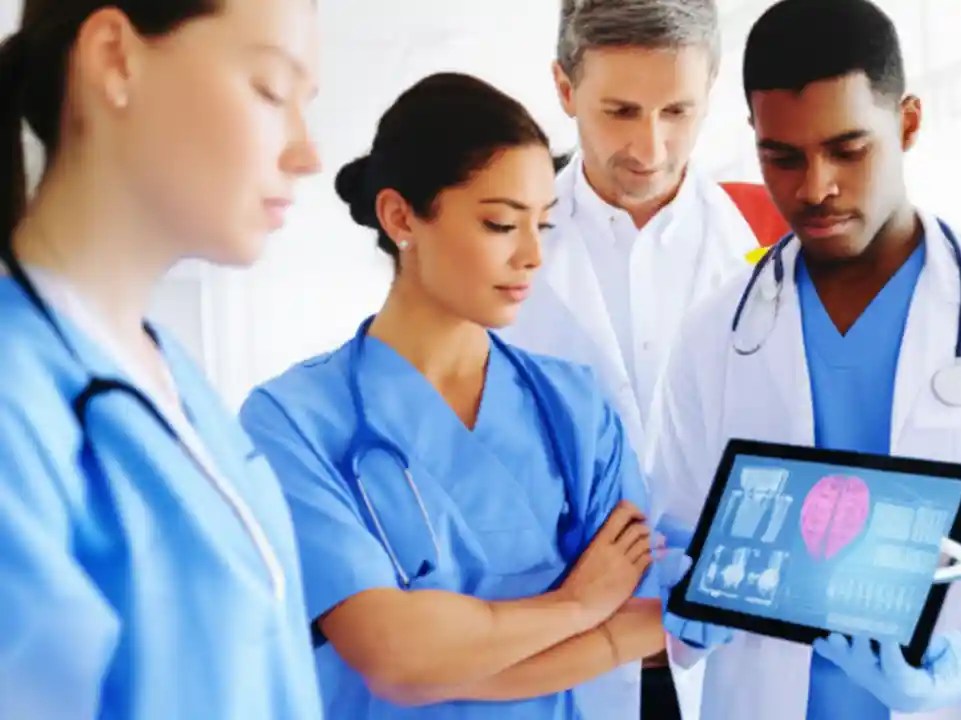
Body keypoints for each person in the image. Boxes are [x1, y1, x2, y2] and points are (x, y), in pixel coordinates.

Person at [650, 1, 961, 718]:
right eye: (781, 157)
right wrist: (678, 585)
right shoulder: (712, 335)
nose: (814, 186)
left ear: (909, 122)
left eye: (849, 150)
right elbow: (677, 529)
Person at [239, 72, 674, 720]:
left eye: (544, 226)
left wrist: (450, 654)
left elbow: (647, 624)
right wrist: (576, 608)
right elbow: (394, 656)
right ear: (400, 216)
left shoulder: (575, 407)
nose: (532, 256)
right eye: (501, 224)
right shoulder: (292, 422)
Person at [0, 1, 322, 718]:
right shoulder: (18, 399)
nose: (308, 152)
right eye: (271, 90)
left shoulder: (169, 373)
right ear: (115, 59)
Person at [498, 2, 758, 717]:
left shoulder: (771, 247)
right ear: (563, 88)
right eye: (620, 111)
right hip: (553, 650)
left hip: (725, 653)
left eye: (679, 111)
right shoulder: (493, 241)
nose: (651, 146)